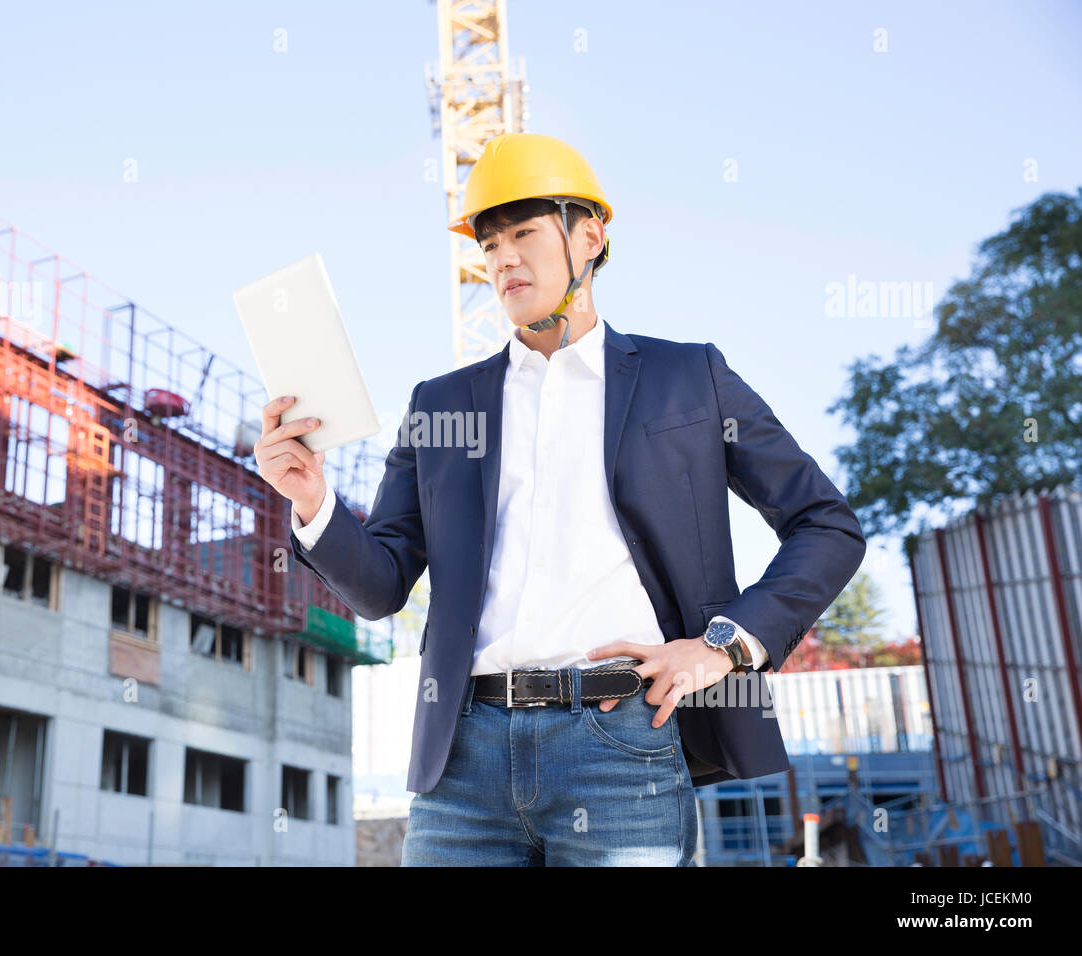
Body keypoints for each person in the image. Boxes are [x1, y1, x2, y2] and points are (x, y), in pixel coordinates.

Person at [255, 132, 866, 866]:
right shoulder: (441, 406)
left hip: (620, 746)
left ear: (591, 235)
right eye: (488, 243)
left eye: (523, 233)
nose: (502, 258)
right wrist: (314, 502)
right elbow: (382, 585)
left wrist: (724, 648)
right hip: (461, 763)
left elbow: (826, 524)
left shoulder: (688, 379)